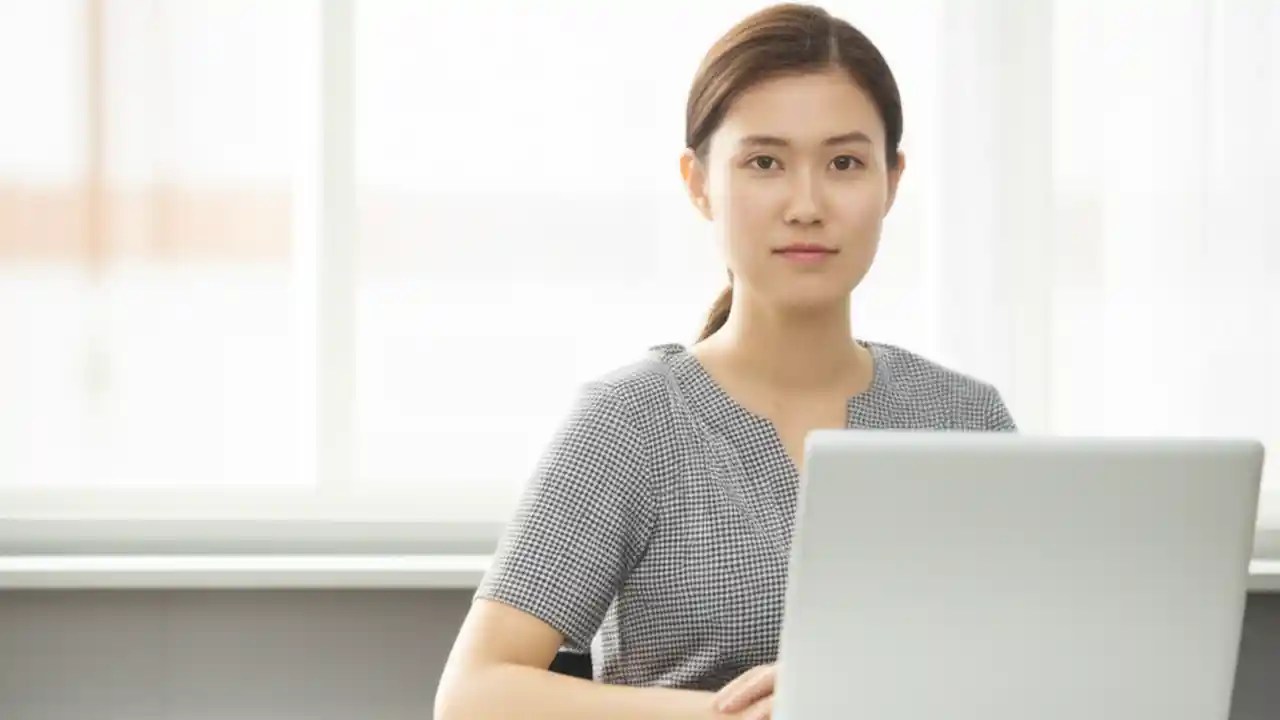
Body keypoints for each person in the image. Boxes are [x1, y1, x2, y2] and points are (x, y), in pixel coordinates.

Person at [434, 4, 1016, 719]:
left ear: (892, 181)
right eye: (764, 162)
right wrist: (735, 714)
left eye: (844, 163)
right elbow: (474, 695)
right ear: (698, 181)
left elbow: (1030, 667)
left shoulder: (966, 421)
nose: (807, 204)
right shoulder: (631, 422)